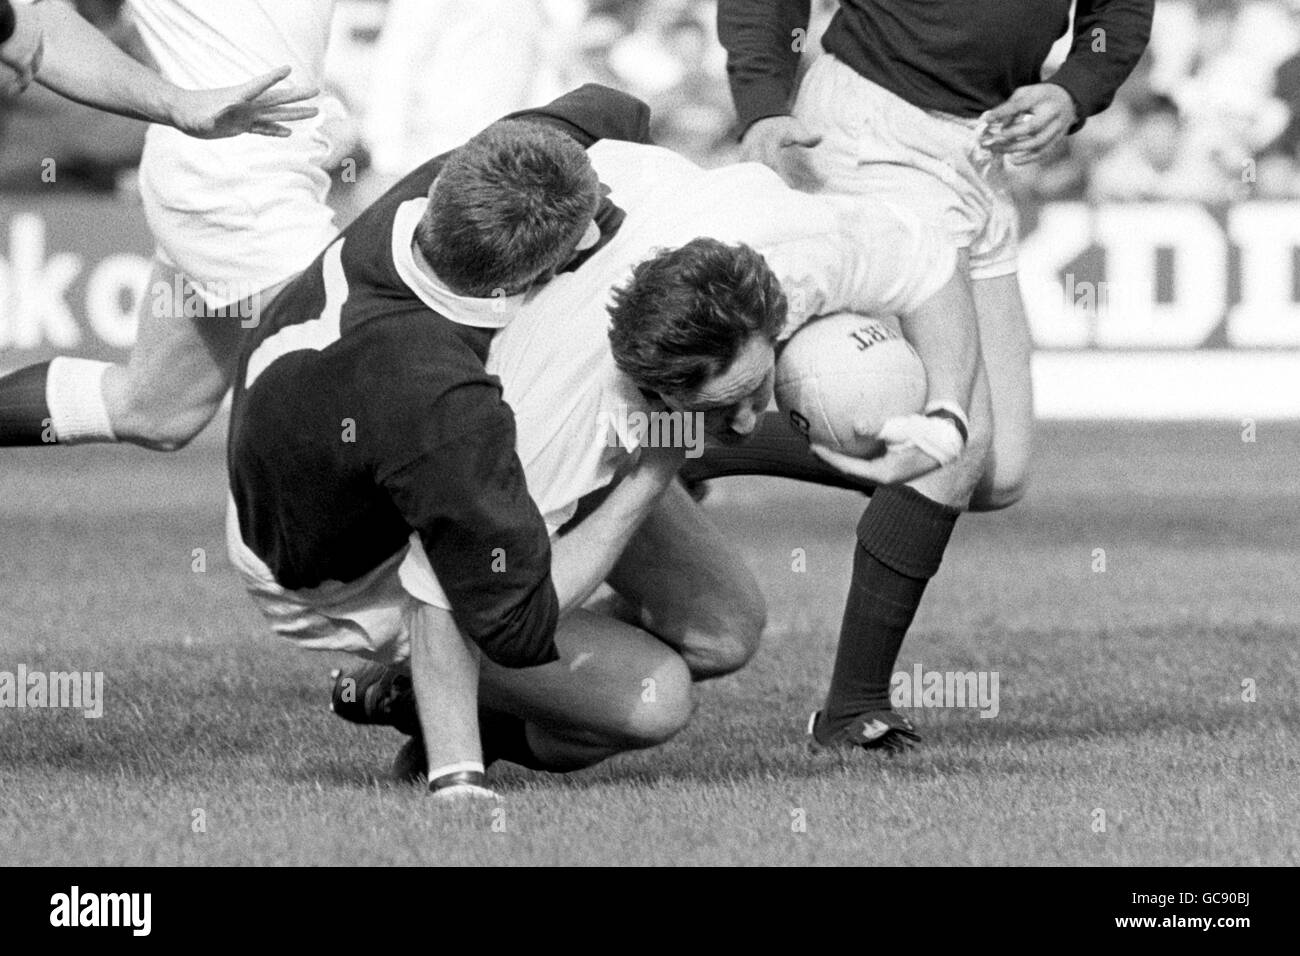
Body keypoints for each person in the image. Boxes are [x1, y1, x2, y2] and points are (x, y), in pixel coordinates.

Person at [333, 122, 989, 780]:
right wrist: (459, 780)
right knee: (652, 703)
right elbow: (464, 593)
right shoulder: (555, 405)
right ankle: (410, 664)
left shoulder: (793, 247)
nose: (747, 417)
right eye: (717, 406)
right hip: (422, 492)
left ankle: (464, 709)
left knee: (722, 633)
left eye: (758, 386)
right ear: (651, 383)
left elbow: (930, 265)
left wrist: (947, 417)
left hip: (625, 406)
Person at [707, 0, 1154, 751]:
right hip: (874, 129)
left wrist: (1077, 85)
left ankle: (701, 443)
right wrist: (761, 102)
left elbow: (1120, 7)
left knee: (998, 471)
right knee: (960, 441)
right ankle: (854, 711)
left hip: (982, 145)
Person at [0, 0, 336, 453]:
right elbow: (36, 22)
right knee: (364, 381)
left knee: (155, 409)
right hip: (233, 181)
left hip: (272, 171)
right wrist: (177, 102)